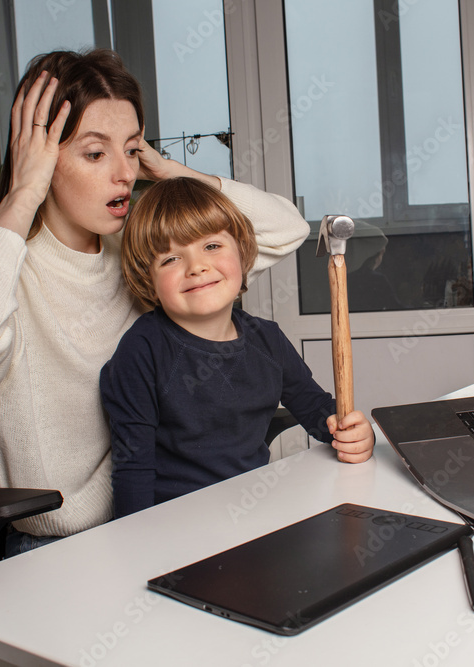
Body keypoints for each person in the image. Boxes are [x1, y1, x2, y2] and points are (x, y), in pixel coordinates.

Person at [0, 49, 309, 555]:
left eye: (132, 149)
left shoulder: (143, 254)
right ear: (41, 160)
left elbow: (286, 229)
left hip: (174, 518)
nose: (124, 173)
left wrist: (172, 174)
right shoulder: (8, 277)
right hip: (69, 549)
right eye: (95, 154)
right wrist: (24, 191)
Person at [99, 177, 375, 518]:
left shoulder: (267, 339)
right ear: (148, 279)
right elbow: (133, 471)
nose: (196, 267)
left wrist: (352, 433)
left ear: (243, 254)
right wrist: (135, 540)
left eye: (212, 246)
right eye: (170, 259)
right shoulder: (141, 351)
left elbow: (316, 409)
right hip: (176, 524)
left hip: (254, 510)